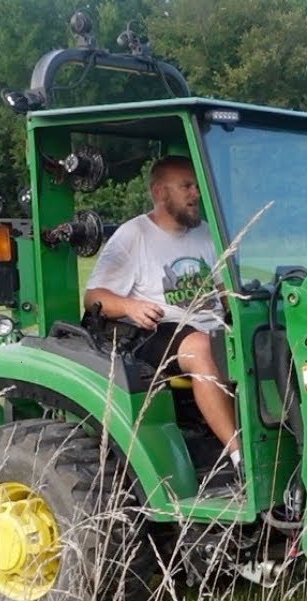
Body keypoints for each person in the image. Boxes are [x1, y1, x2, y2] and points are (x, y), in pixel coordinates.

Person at [84, 155, 241, 473]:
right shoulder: (133, 236)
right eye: (186, 186)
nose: (195, 194)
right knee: (200, 347)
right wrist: (130, 306)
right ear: (159, 192)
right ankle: (241, 457)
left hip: (210, 328)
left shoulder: (207, 234)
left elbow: (226, 293)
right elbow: (93, 297)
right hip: (157, 332)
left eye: (196, 186)